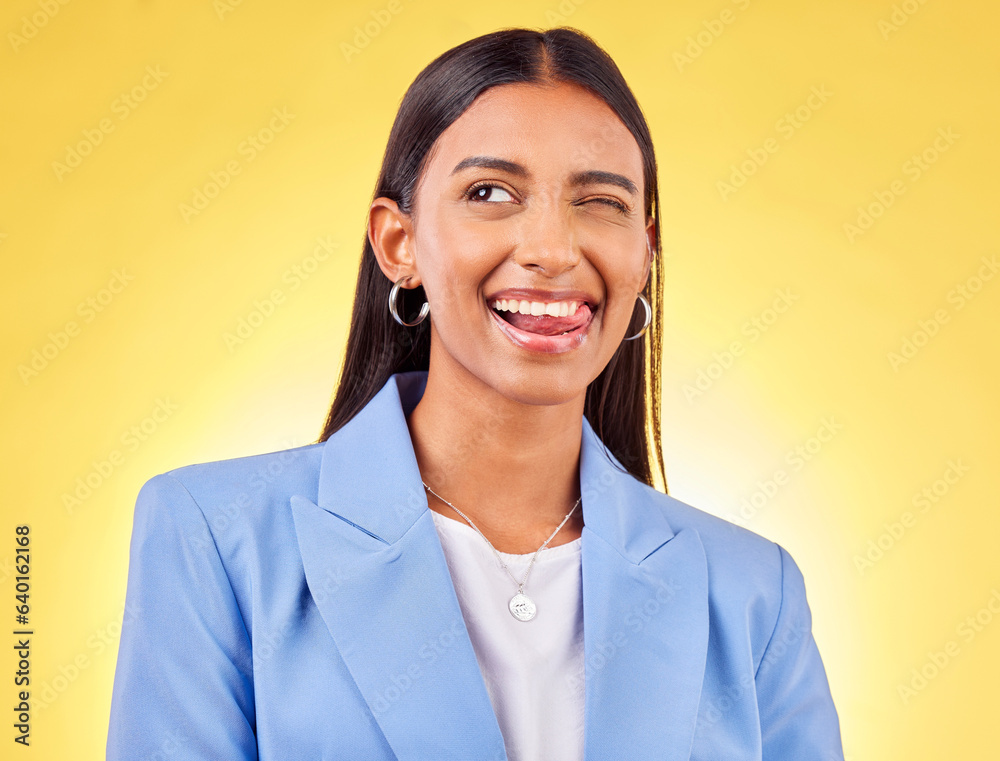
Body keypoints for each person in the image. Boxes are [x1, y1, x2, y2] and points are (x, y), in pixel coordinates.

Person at [106, 26, 844, 761]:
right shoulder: (213, 540)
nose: (552, 250)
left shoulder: (753, 593)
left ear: (644, 254)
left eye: (601, 201)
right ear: (400, 244)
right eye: (490, 193)